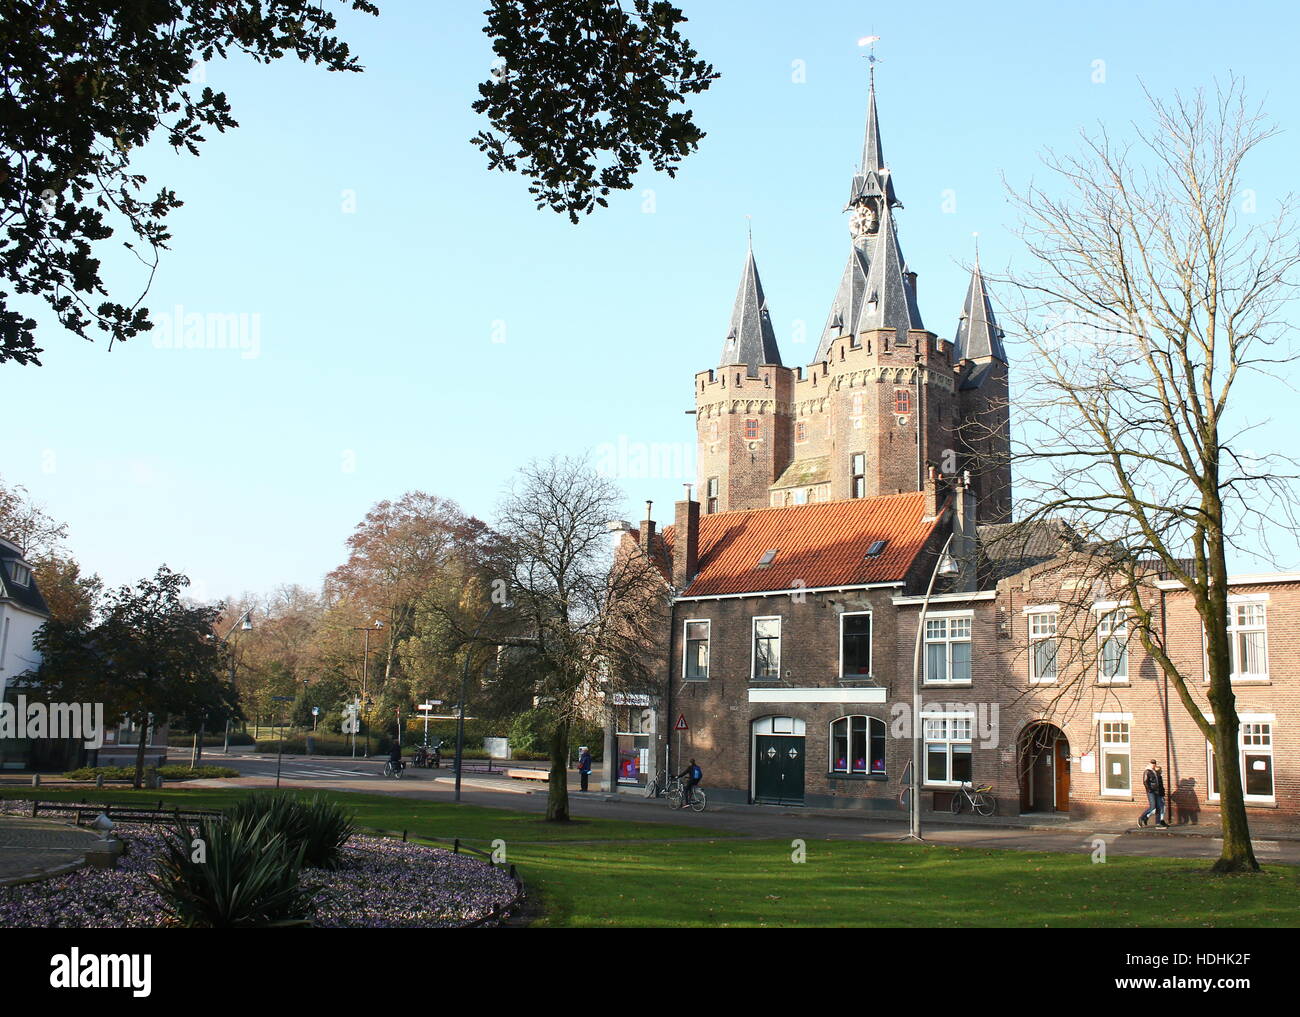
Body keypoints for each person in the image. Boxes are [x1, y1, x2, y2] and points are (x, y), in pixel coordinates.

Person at [1139, 759, 1167, 828]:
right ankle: (1142, 817)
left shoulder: (1154, 771)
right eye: (1152, 763)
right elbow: (1145, 781)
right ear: (1149, 764)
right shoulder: (1147, 771)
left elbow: (1159, 783)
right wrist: (1149, 790)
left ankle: (1158, 823)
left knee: (1158, 807)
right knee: (1152, 806)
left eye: (1154, 763)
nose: (1153, 765)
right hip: (1151, 792)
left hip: (1157, 791)